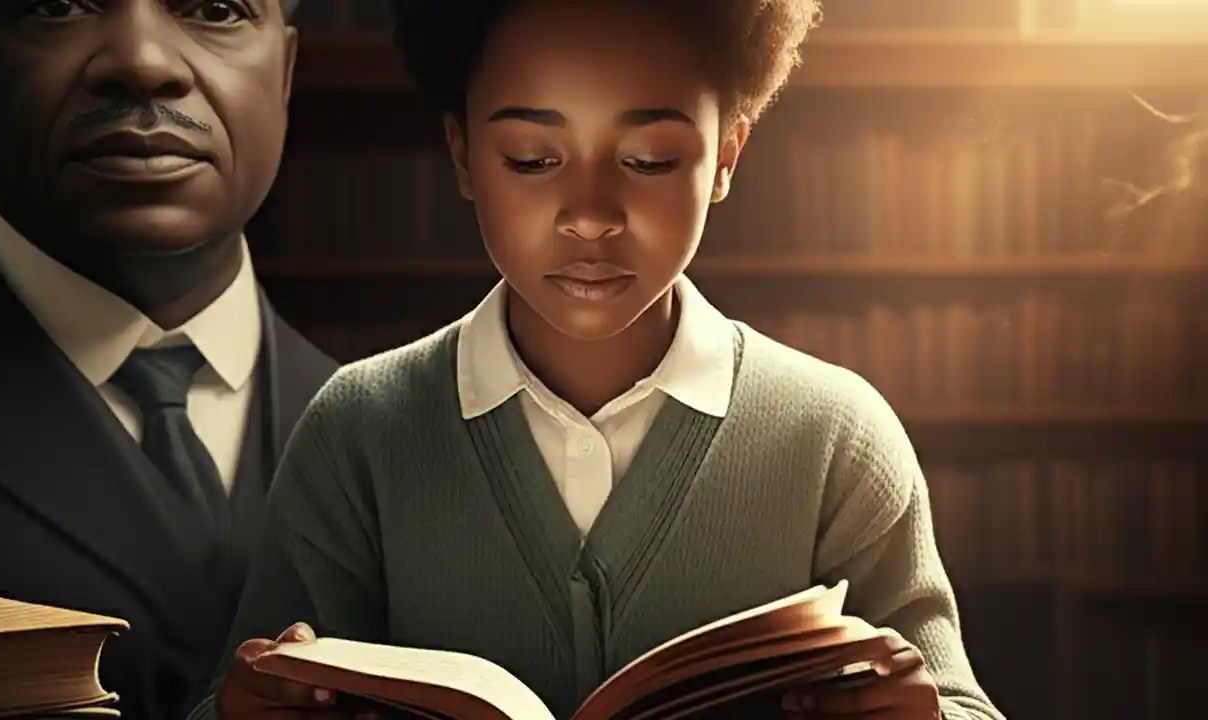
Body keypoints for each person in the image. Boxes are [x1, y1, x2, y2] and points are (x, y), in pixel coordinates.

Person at [192, 0, 1005, 718]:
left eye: (649, 159)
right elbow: (249, 690)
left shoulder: (834, 437)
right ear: (464, 155)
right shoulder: (360, 431)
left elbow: (956, 699)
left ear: (726, 157)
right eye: (532, 160)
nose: (589, 216)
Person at [0, 1, 336, 718]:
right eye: (57, 5)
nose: (143, 63)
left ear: (286, 72)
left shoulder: (401, 430)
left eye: (215, 7)